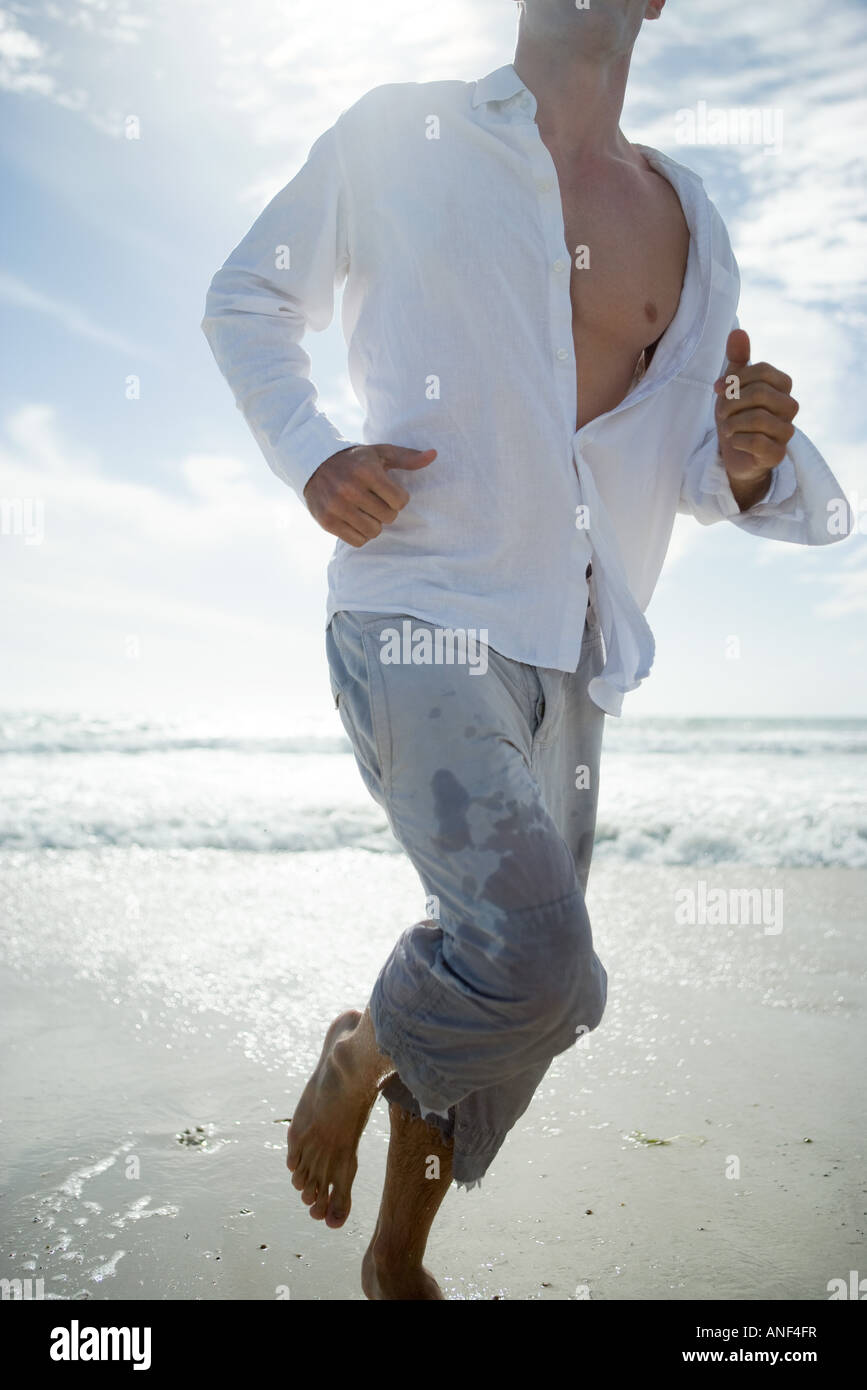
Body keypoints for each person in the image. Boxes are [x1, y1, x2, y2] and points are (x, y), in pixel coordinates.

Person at [201, 0, 851, 1299]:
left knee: (502, 983)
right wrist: (314, 453)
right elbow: (247, 297)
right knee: (537, 963)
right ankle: (359, 1049)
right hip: (417, 607)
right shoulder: (402, 131)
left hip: (577, 642)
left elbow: (681, 451)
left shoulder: (685, 210)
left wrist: (742, 457)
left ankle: (398, 1258)